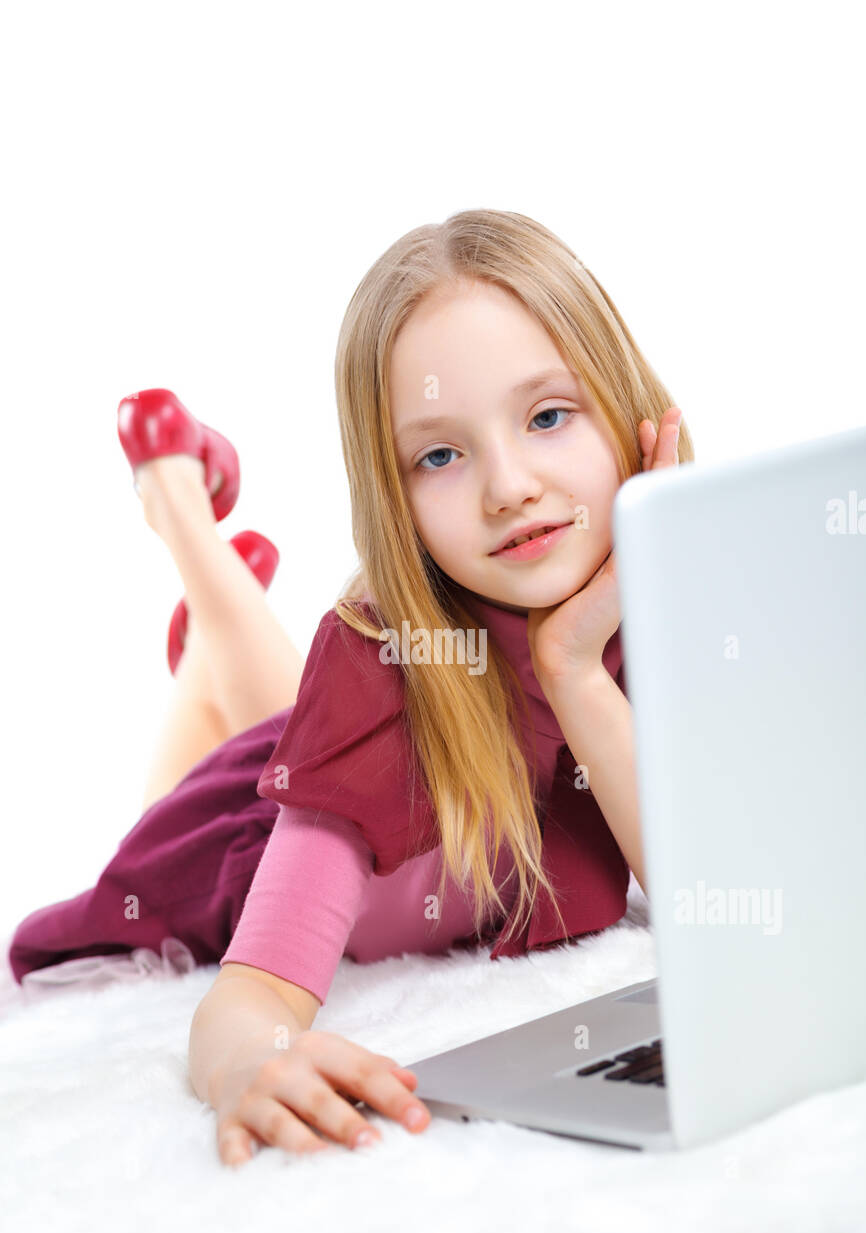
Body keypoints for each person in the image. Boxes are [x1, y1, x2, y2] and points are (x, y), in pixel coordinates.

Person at [8, 208, 691, 1167]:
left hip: (305, 736)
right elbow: (249, 1000)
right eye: (440, 456)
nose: (510, 487)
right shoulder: (379, 685)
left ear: (632, 417)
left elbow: (701, 899)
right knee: (217, 767)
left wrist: (574, 668)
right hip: (236, 844)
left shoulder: (645, 614)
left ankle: (210, 640)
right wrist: (251, 1063)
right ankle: (181, 520)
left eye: (547, 416)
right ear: (393, 502)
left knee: (263, 706)